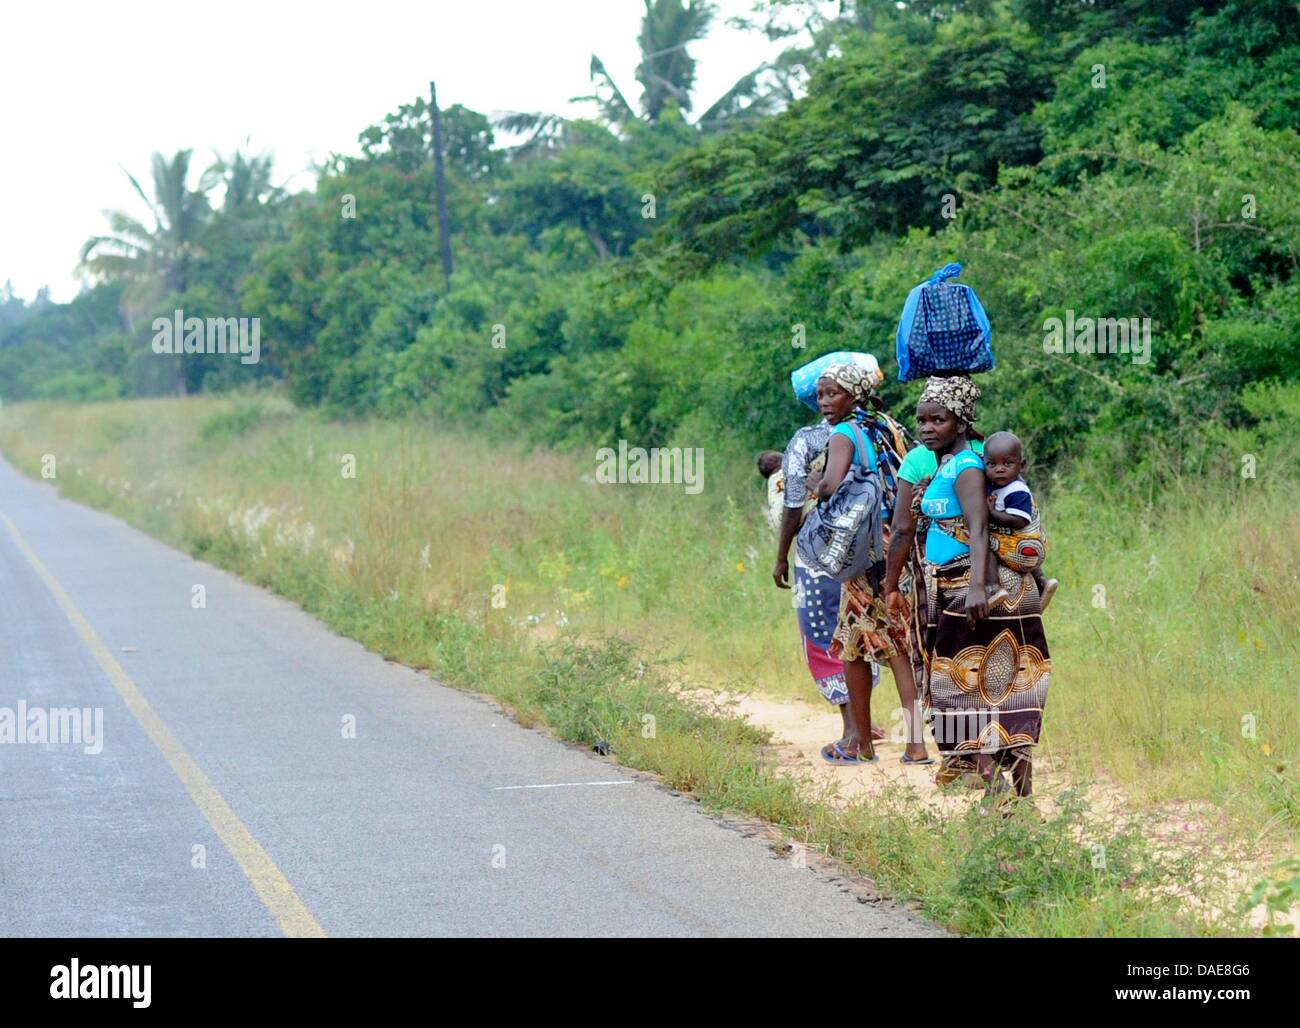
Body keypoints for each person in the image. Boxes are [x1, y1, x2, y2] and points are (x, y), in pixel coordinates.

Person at [887, 376, 1051, 805]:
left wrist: (978, 585)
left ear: (961, 423)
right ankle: (1011, 797)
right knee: (1000, 688)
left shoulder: (964, 467)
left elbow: (978, 527)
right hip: (975, 586)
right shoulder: (949, 464)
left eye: (937, 420)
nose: (925, 428)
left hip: (971, 588)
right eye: (921, 420)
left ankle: (1001, 795)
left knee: (971, 690)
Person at [804, 363, 930, 765]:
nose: (825, 402)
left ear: (853, 394)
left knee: (854, 642)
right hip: (898, 542)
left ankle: (860, 743)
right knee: (898, 642)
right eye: (821, 394)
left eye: (832, 393)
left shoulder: (844, 434)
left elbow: (831, 485)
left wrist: (812, 483)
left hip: (865, 548)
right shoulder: (887, 425)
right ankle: (914, 745)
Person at [769, 433, 882, 744]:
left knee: (823, 636)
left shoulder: (807, 440)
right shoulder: (874, 433)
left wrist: (780, 557)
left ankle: (853, 730)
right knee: (858, 633)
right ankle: (868, 726)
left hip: (819, 557)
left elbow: (791, 508)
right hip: (863, 550)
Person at [981, 431, 1058, 611]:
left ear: (1021, 465)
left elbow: (1019, 521)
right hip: (1026, 551)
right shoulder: (999, 484)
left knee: (985, 545)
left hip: (1019, 544)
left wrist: (992, 513)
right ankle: (1042, 582)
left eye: (1007, 463)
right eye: (991, 464)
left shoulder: (1017, 490)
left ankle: (993, 587)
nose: (999, 469)